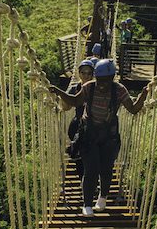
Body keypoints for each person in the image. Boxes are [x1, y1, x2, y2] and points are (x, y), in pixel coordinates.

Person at [49, 59, 148, 216]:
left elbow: (133, 109)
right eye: (100, 80)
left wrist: (143, 96)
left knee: (106, 169)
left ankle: (102, 199)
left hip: (109, 136)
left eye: (106, 81)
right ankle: (87, 204)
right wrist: (58, 91)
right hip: (89, 134)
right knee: (91, 169)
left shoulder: (119, 90)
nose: (102, 84)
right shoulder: (89, 87)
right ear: (96, 77)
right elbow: (75, 101)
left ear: (112, 78)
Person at [65, 58, 96, 181]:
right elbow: (65, 106)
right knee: (78, 154)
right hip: (78, 124)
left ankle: (90, 180)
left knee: (92, 155)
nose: (86, 76)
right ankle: (82, 179)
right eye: (83, 73)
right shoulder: (74, 87)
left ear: (92, 74)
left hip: (93, 125)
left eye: (89, 73)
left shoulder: (97, 88)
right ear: (79, 73)